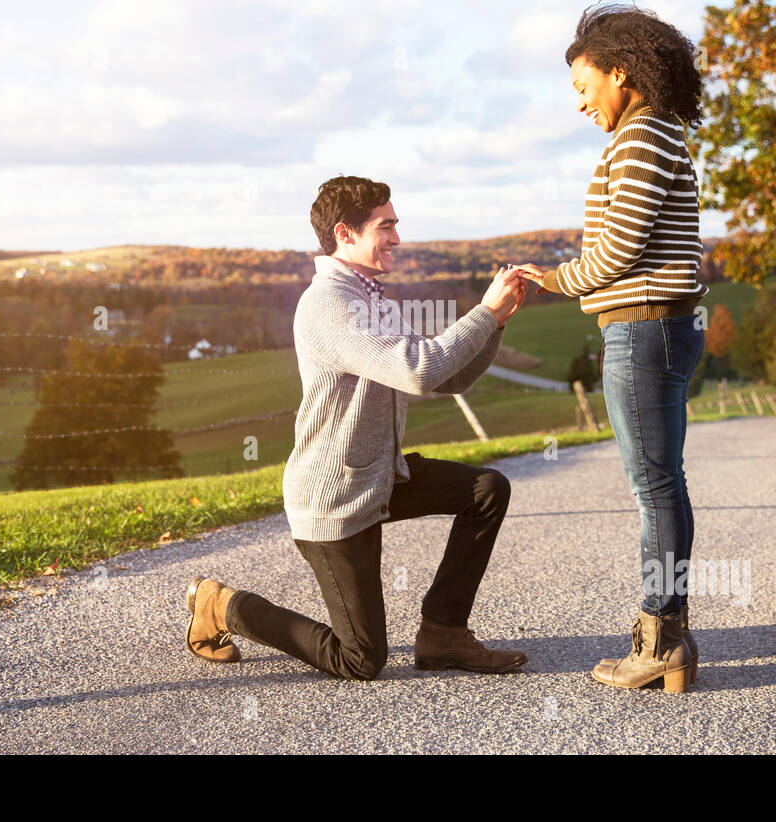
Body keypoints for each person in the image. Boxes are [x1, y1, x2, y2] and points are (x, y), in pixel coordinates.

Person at [185, 175, 529, 680]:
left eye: (395, 225)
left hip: (380, 479)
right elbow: (419, 368)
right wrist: (483, 311)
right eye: (385, 227)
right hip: (335, 496)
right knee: (360, 660)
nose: (396, 238)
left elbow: (447, 378)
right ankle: (223, 606)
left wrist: (495, 325)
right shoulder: (329, 304)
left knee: (486, 490)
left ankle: (444, 633)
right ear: (346, 233)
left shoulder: (376, 302)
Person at [516, 1, 709, 693]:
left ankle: (660, 639)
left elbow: (618, 249)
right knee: (664, 483)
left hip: (641, 329)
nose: (579, 103)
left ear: (620, 73)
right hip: (662, 327)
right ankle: (671, 636)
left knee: (653, 486)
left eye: (581, 85)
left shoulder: (639, 138)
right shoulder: (660, 133)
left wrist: (555, 278)